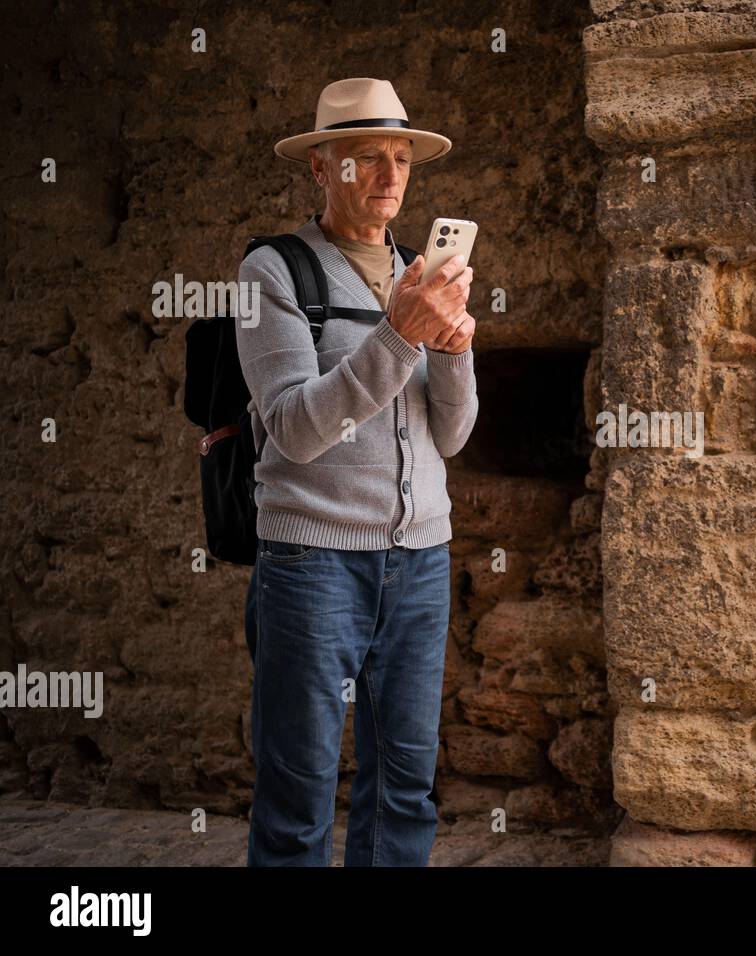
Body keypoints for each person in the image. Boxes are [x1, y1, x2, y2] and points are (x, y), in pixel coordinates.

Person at [235, 78, 478, 866]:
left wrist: (455, 349)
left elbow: (454, 433)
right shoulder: (272, 274)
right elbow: (297, 430)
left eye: (402, 158)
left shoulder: (418, 271)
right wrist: (402, 337)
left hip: (420, 561)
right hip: (313, 564)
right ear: (320, 168)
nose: (389, 175)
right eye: (366, 156)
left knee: (405, 787)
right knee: (299, 789)